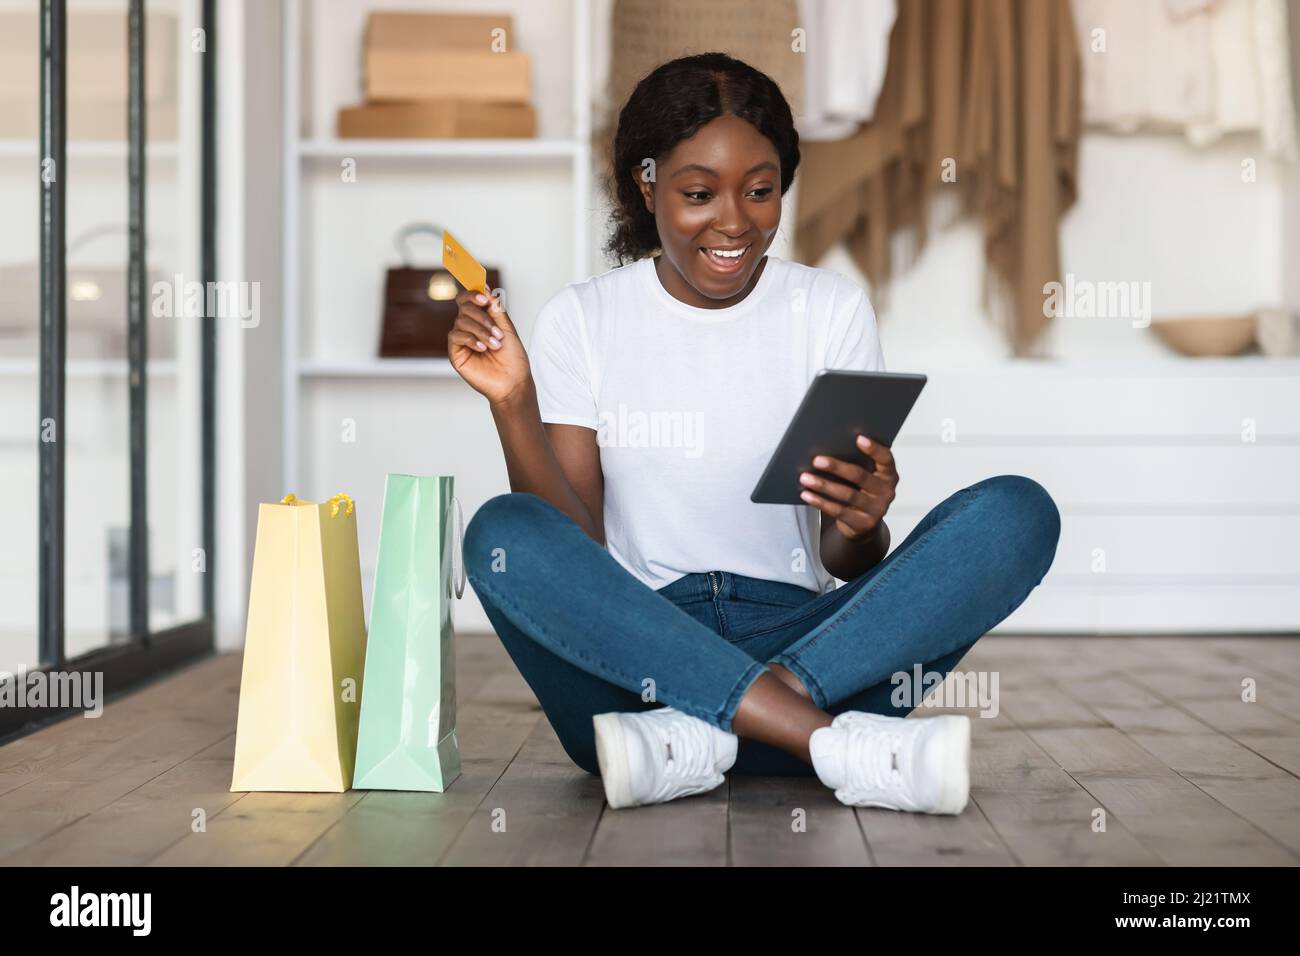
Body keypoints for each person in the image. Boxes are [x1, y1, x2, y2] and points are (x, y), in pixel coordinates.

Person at [449, 52, 1060, 814]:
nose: (734, 221)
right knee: (503, 532)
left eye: (761, 191)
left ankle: (716, 726)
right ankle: (830, 744)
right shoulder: (584, 318)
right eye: (699, 193)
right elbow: (574, 550)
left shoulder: (830, 309)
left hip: (807, 639)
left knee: (1016, 511)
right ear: (648, 185)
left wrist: (860, 521)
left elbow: (846, 561)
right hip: (639, 655)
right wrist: (512, 401)